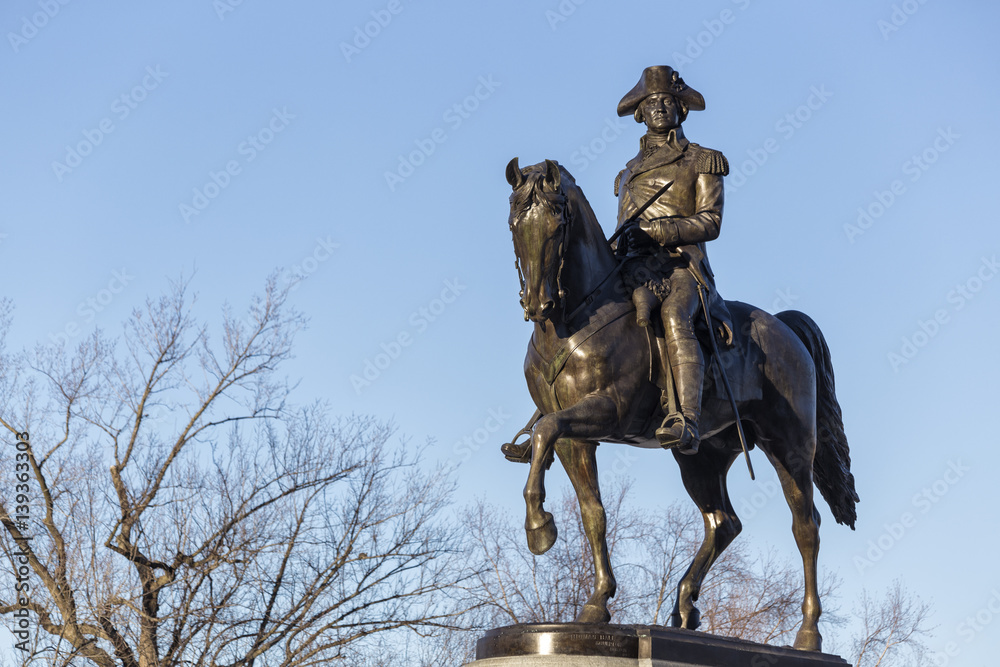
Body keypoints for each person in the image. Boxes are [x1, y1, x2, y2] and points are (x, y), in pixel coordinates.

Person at [613, 65, 731, 455]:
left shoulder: (702, 160)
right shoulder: (627, 173)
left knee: (675, 314)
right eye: (651, 102)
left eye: (667, 101)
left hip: (682, 266)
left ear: (681, 109)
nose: (659, 107)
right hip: (633, 266)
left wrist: (660, 231)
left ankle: (687, 419)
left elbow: (711, 221)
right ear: (640, 113)